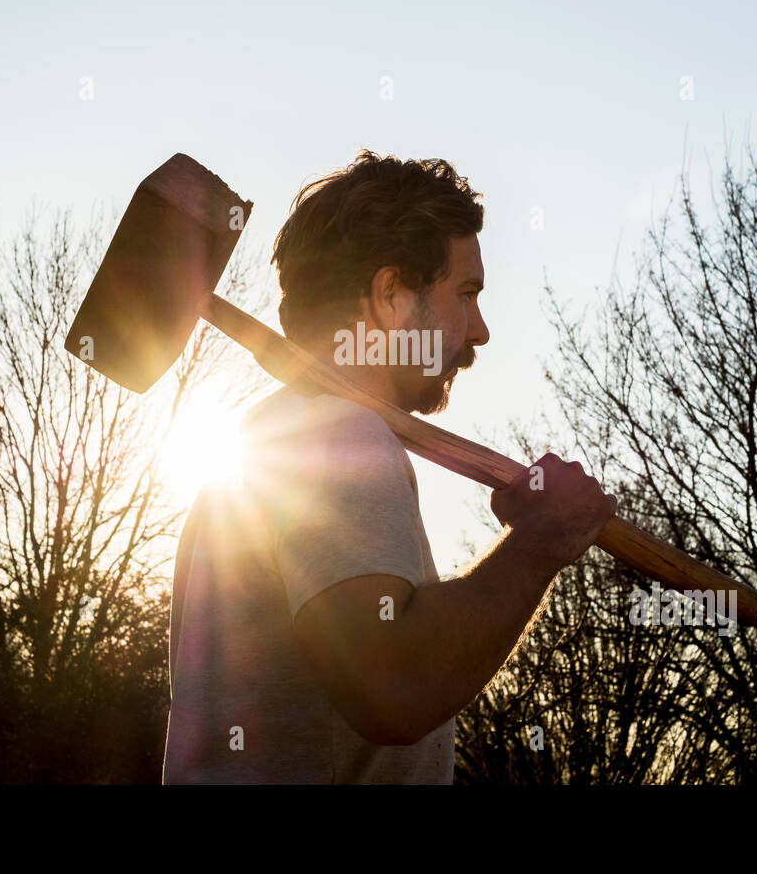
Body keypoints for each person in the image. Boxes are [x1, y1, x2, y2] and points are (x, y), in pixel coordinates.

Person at [162, 150, 616, 783]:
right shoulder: (337, 435)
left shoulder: (274, 442)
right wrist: (539, 544)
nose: (479, 331)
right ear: (391, 295)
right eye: (465, 294)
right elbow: (392, 687)